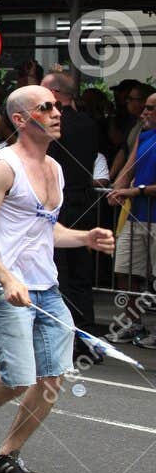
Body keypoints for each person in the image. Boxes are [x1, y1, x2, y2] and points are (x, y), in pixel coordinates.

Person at [0, 86, 115, 473]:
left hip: (46, 287)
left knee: (51, 378)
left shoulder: (56, 169)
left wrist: (85, 237)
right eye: (46, 107)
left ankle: (7, 454)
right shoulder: (1, 167)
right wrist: (6, 277)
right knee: (18, 378)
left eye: (57, 106)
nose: (57, 113)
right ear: (21, 119)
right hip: (5, 287)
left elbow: (45, 231)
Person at [43, 73, 102, 354]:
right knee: (79, 272)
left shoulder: (55, 124)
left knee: (60, 271)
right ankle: (87, 337)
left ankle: (67, 338)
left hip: (61, 201)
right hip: (83, 200)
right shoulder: (88, 123)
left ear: (54, 93)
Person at [106, 91, 156, 345]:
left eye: (150, 108)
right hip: (137, 216)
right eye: (144, 107)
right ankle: (133, 324)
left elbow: (137, 185)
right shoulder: (144, 135)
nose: (144, 112)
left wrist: (136, 191)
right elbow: (129, 167)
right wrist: (119, 187)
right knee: (125, 269)